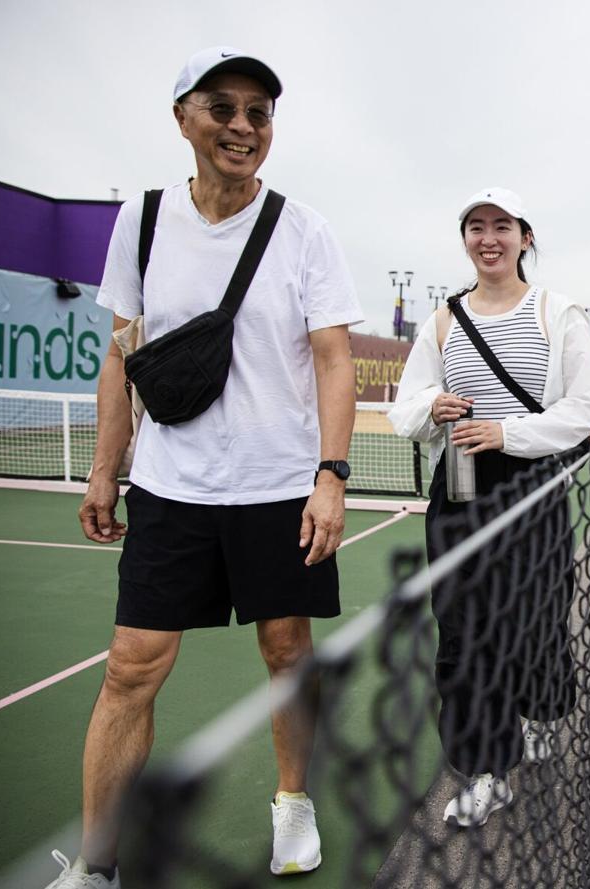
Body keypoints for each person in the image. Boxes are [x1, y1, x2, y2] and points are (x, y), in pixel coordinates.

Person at [49, 47, 362, 888]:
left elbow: (334, 360)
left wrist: (330, 474)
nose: (242, 127)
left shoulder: (306, 230)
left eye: (259, 113)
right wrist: (104, 468)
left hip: (277, 487)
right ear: (183, 116)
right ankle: (98, 862)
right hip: (170, 485)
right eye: (222, 108)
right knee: (129, 666)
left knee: (287, 652)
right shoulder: (142, 220)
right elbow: (122, 353)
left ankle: (291, 802)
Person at [389, 187, 590, 828]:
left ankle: (536, 711)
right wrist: (433, 408)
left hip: (533, 490)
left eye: (502, 227)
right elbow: (404, 405)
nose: (489, 238)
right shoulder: (444, 321)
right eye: (476, 228)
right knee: (463, 629)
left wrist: (506, 432)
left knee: (536, 620)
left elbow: (584, 407)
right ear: (465, 240)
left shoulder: (557, 312)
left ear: (525, 238)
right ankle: (486, 767)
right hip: (459, 494)